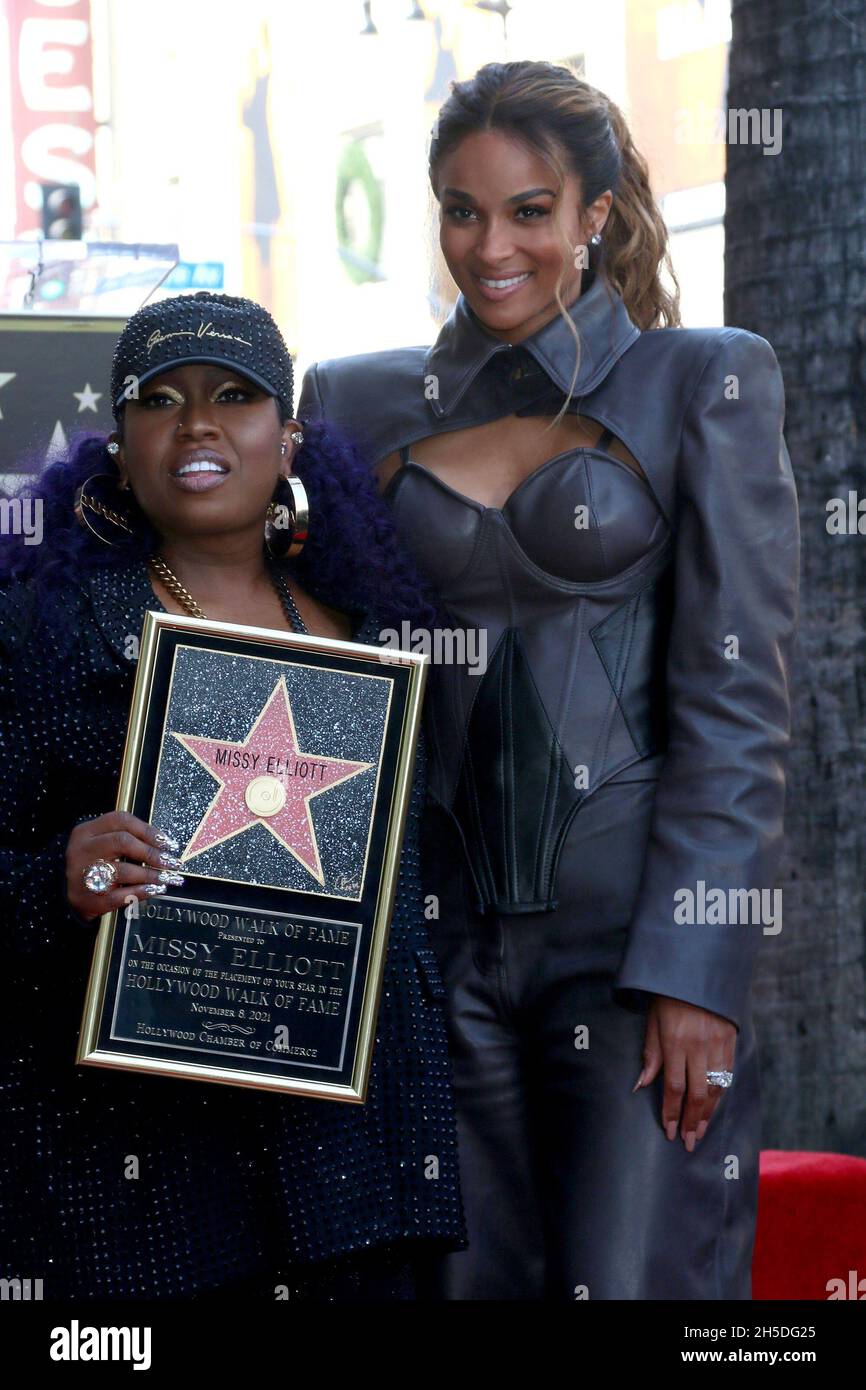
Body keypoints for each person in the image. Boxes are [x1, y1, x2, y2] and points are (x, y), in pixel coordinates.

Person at [298, 61, 801, 1299]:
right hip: (431, 951)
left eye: (529, 209)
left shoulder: (702, 379)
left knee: (635, 1284)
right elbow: (304, 662)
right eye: (462, 210)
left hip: (633, 951)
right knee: (464, 1287)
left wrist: (695, 973)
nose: (491, 245)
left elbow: (736, 700)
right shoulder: (353, 404)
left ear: (593, 214)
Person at [0, 291, 466, 1300]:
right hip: (130, 1176)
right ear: (120, 444)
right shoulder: (37, 633)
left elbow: (412, 907)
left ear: (287, 436)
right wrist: (55, 880)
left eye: (235, 395)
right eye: (159, 398)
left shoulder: (372, 632)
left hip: (340, 1171)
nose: (198, 423)